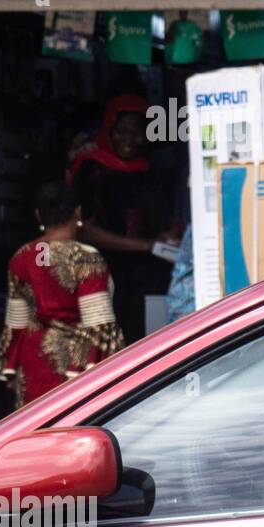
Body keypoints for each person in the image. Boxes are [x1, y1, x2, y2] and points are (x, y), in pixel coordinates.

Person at [0, 182, 124, 410]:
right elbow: (100, 324)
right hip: (75, 366)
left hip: (32, 362)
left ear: (38, 215)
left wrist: (11, 367)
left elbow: (16, 323)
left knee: (35, 428)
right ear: (78, 212)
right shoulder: (86, 258)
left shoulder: (21, 257)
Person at [66, 94, 182, 343]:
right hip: (104, 277)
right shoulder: (92, 168)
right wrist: (145, 246)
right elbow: (82, 229)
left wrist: (170, 235)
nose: (129, 139)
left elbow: (168, 218)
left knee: (147, 344)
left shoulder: (150, 170)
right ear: (109, 128)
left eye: (137, 132)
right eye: (121, 131)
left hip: (148, 278)